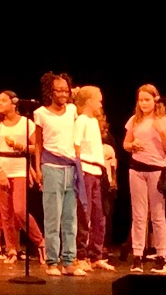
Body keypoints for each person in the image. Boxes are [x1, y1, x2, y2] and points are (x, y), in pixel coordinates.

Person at [0, 90, 43, 263]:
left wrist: (19, 146)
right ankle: (11, 250)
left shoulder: (26, 123)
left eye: (3, 101)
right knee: (6, 213)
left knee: (19, 210)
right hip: (1, 169)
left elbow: (38, 147)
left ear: (13, 103)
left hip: (19, 169)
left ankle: (40, 242)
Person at [122, 83, 166, 272]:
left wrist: (161, 132)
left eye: (147, 99)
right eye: (140, 100)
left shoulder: (164, 121)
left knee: (158, 214)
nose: (143, 103)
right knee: (138, 214)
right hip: (136, 169)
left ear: (155, 100)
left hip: (156, 170)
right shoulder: (134, 121)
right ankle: (138, 255)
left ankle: (161, 255)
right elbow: (125, 144)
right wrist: (132, 144)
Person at [31, 72, 80, 276]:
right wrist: (38, 168)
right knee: (53, 217)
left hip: (71, 168)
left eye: (65, 90)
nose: (63, 94)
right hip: (51, 168)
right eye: (58, 90)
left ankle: (69, 261)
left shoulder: (72, 110)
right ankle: (52, 261)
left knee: (70, 218)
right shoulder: (41, 113)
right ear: (50, 92)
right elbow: (38, 144)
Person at [72, 85, 112, 274]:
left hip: (97, 171)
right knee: (84, 214)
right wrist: (79, 173)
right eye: (99, 100)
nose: (101, 104)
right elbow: (76, 146)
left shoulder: (94, 122)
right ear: (89, 102)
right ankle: (81, 256)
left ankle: (96, 255)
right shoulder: (81, 120)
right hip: (86, 170)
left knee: (99, 215)